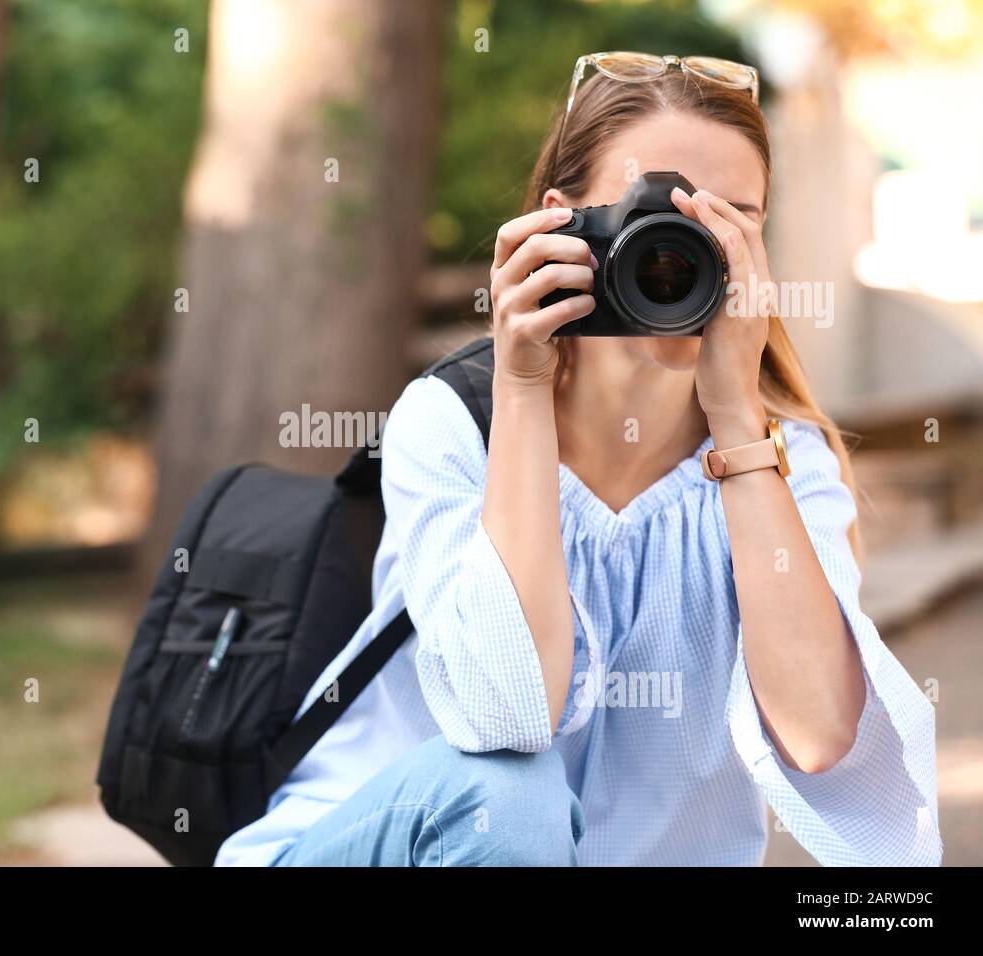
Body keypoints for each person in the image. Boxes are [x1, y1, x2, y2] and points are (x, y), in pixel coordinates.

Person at [215, 53, 941, 867]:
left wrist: (737, 419)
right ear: (559, 226)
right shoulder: (455, 423)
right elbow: (509, 718)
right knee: (509, 798)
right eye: (656, 223)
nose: (680, 260)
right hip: (383, 844)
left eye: (729, 222)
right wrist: (522, 387)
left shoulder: (783, 462)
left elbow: (817, 736)